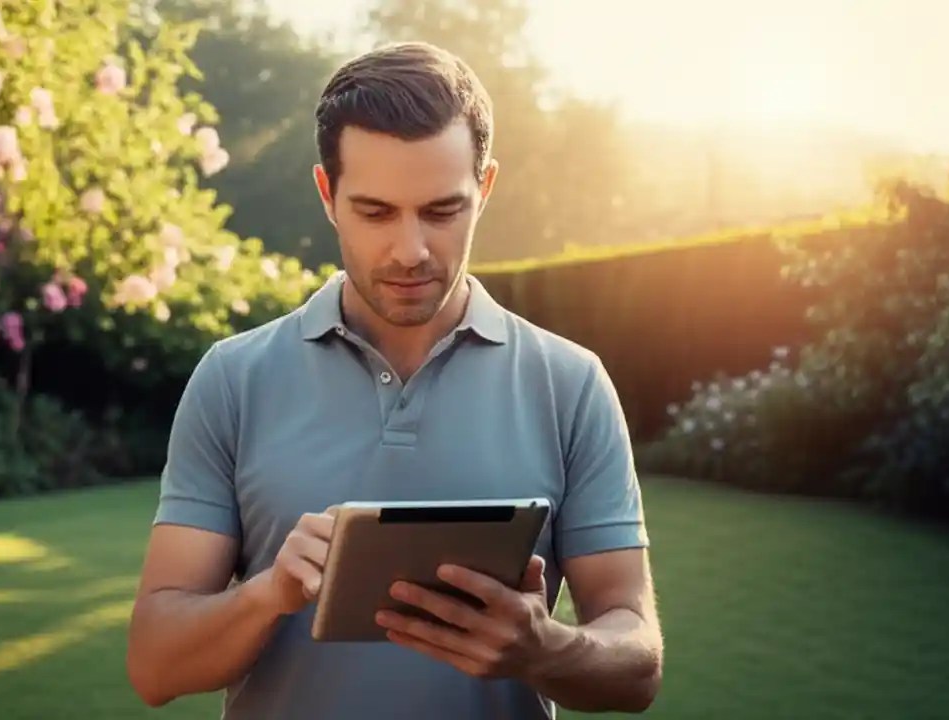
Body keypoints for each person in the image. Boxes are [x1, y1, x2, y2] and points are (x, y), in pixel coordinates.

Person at [125, 41, 662, 718]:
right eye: (376, 212)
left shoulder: (570, 384)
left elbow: (637, 660)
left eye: (442, 211)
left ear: (485, 188)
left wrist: (543, 648)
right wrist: (269, 594)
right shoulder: (233, 379)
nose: (410, 251)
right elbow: (153, 667)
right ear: (327, 194)